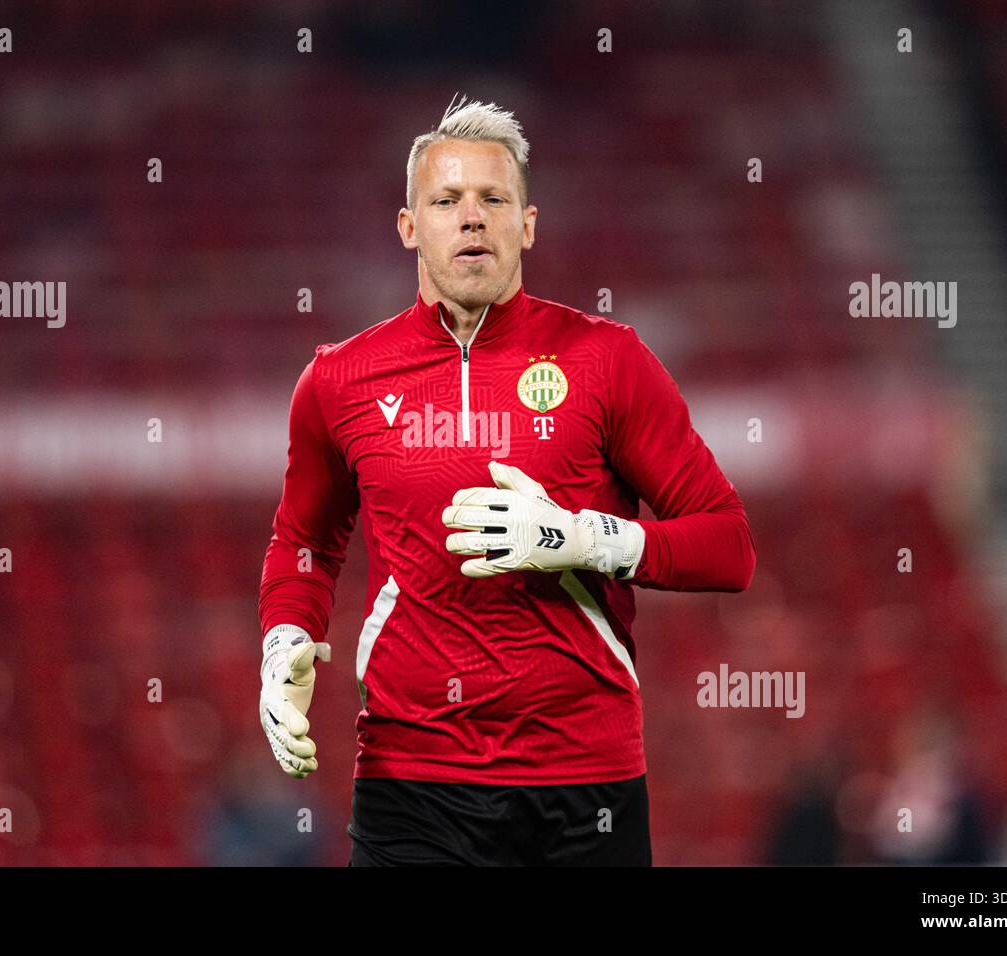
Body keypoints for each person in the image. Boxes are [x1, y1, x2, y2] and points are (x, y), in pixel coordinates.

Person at [258, 95, 756, 866]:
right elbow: (304, 542)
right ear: (408, 227)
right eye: (447, 200)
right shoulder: (337, 380)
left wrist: (581, 538)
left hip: (585, 779)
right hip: (411, 780)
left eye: (494, 199)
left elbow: (728, 547)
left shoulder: (609, 360)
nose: (471, 218)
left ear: (526, 225)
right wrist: (284, 640)